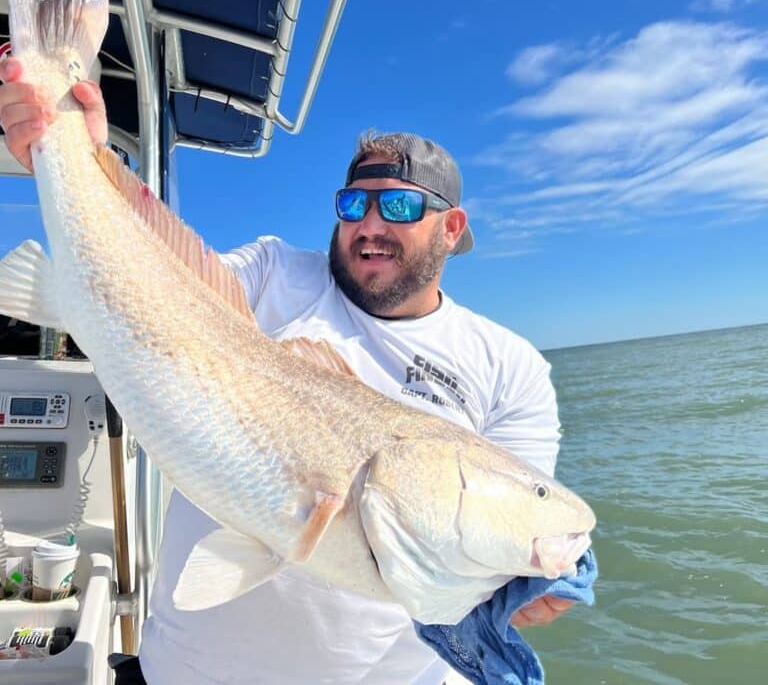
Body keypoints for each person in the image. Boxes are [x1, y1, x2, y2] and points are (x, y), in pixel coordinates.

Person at [0, 58, 575, 685]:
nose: (370, 224)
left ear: (451, 227)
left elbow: (494, 551)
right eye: (354, 203)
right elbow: (152, 278)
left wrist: (528, 588)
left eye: (402, 206)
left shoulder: (509, 366)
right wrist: (79, 152)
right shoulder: (273, 272)